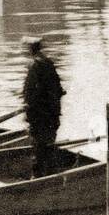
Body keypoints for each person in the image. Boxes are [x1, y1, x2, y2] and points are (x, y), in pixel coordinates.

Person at [20, 36, 65, 177]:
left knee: (38, 147)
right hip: (53, 115)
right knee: (49, 145)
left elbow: (29, 94)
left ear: (30, 50)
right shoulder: (49, 63)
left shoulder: (34, 66)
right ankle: (52, 174)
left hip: (39, 117)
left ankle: (38, 178)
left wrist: (27, 107)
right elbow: (59, 89)